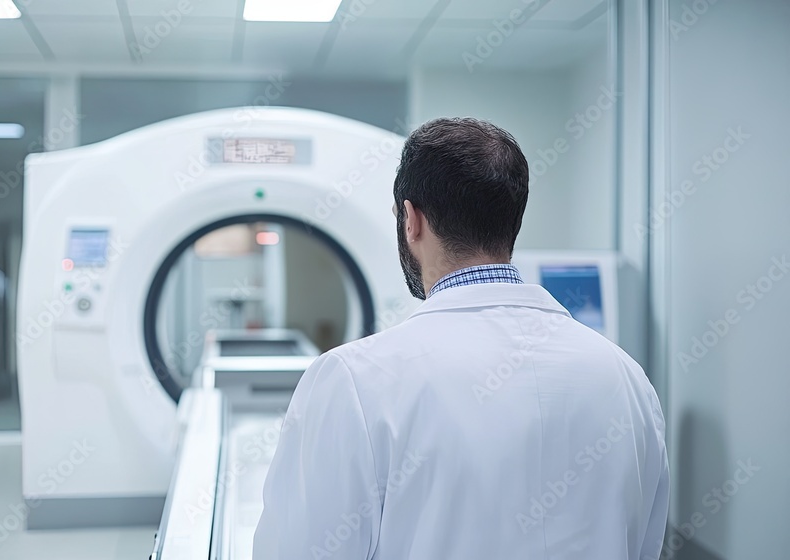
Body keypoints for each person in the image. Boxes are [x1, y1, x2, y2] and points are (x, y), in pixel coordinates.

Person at [253, 117, 669, 559]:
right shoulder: (627, 379)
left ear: (411, 220)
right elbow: (643, 543)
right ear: (512, 220)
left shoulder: (354, 381)